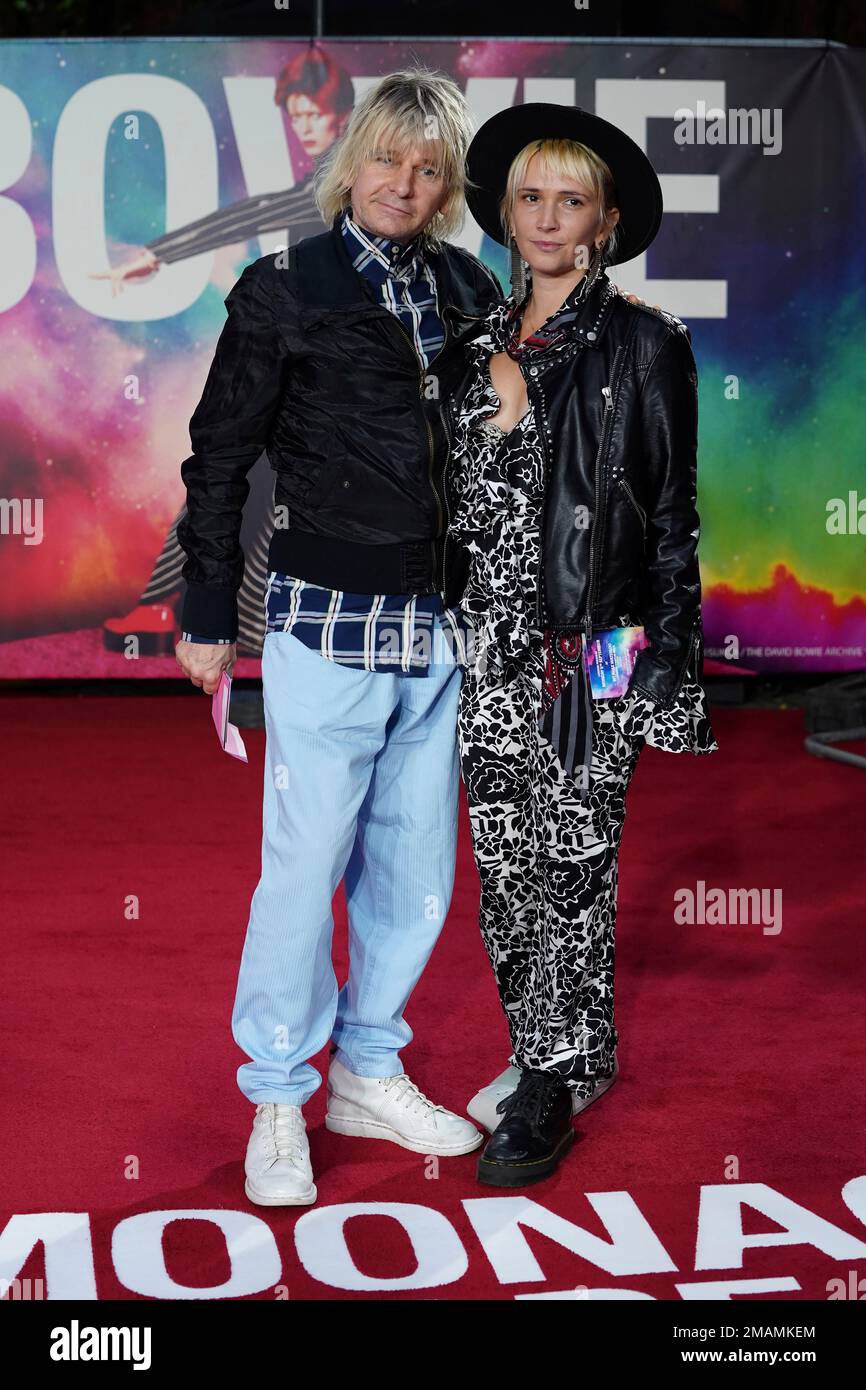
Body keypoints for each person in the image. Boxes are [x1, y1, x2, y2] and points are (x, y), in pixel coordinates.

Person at [174, 69, 506, 1206]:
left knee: (415, 864)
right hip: (324, 619)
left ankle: (368, 1065)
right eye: (386, 159)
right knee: (304, 865)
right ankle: (277, 1087)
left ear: (447, 181)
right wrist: (209, 615)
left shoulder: (471, 285)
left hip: (442, 625)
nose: (402, 184)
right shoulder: (284, 288)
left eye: (426, 167)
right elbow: (218, 456)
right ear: (347, 162)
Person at [437, 103, 719, 1186]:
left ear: (602, 223)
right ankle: (565, 1045)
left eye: (570, 200)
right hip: (484, 648)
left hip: (593, 646)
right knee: (504, 869)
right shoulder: (468, 348)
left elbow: (672, 513)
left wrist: (662, 661)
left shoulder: (646, 344)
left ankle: (546, 1080)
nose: (548, 217)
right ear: (504, 215)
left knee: (571, 865)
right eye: (529, 197)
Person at [100, 46, 356, 659]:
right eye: (295, 116)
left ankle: (195, 609)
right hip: (308, 367)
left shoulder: (347, 182)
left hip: (339, 376)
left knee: (253, 479)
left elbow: (259, 211)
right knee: (237, 475)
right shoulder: (326, 179)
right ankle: (188, 605)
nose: (304, 127)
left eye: (313, 114)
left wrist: (163, 249)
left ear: (341, 114)